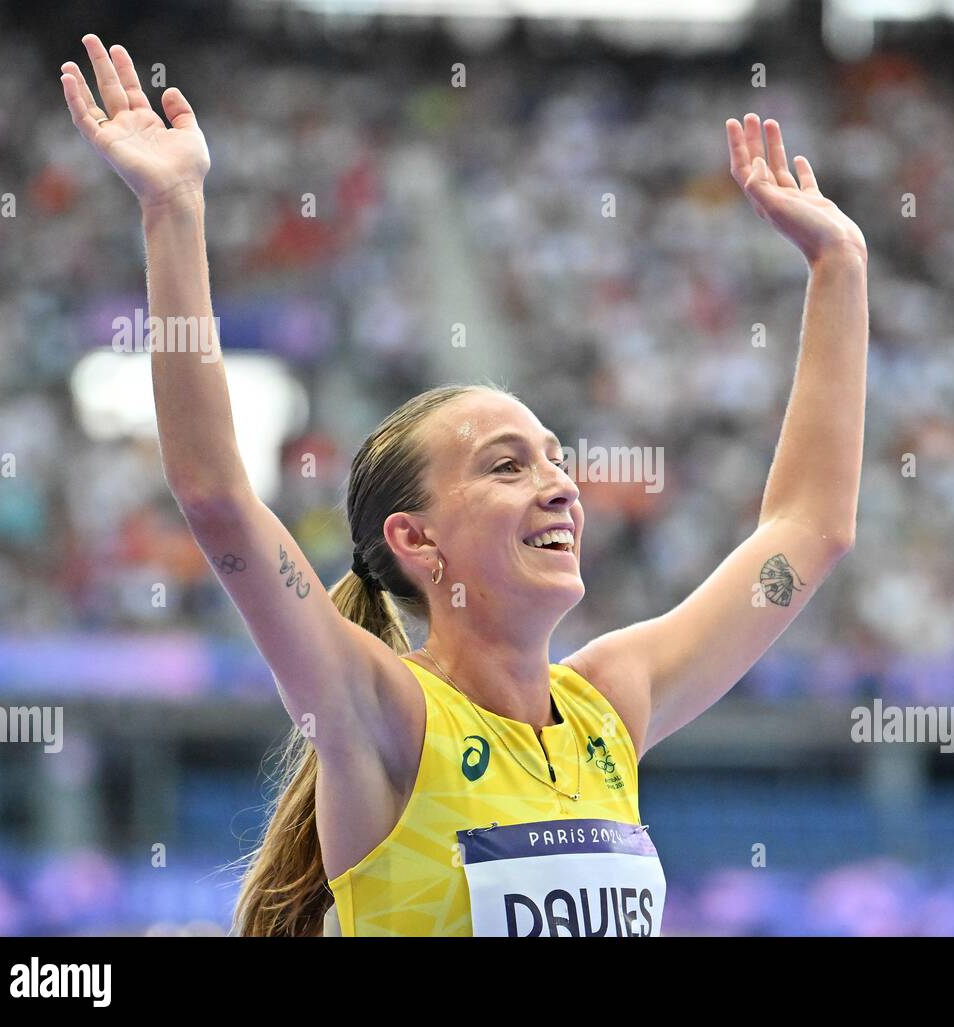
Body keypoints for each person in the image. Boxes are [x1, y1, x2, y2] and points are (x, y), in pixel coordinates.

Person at [59, 33, 870, 936]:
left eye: (556, 457)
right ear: (416, 539)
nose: (559, 485)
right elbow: (215, 494)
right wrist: (173, 208)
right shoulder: (382, 712)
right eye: (507, 464)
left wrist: (839, 268)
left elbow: (809, 529)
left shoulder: (611, 706)